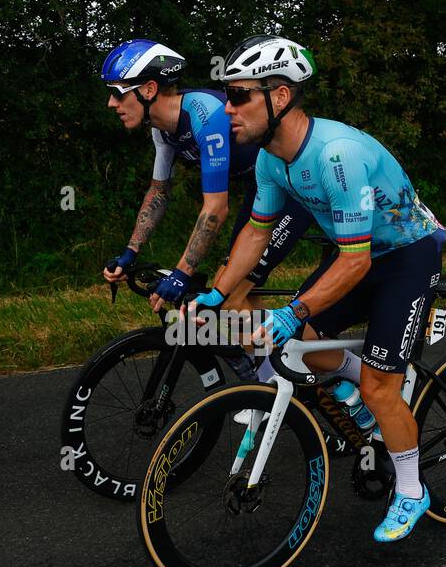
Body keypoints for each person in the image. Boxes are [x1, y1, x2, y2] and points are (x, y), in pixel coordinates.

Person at [200, 34, 446, 543]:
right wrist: (218, 293)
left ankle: (410, 489)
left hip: (405, 255)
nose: (228, 109)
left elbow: (355, 262)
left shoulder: (338, 155)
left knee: (377, 385)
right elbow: (255, 232)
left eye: (239, 95)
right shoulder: (272, 159)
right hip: (357, 254)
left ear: (280, 96)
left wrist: (293, 308)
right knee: (302, 345)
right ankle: (374, 386)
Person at [99, 39, 315, 380]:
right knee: (232, 296)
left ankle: (305, 370)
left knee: (227, 292)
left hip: (292, 189)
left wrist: (183, 271)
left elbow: (215, 207)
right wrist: (130, 251)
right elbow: (159, 193)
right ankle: (279, 375)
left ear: (149, 89)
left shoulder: (206, 116)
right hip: (263, 187)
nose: (111, 103)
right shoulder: (162, 131)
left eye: (117, 92)